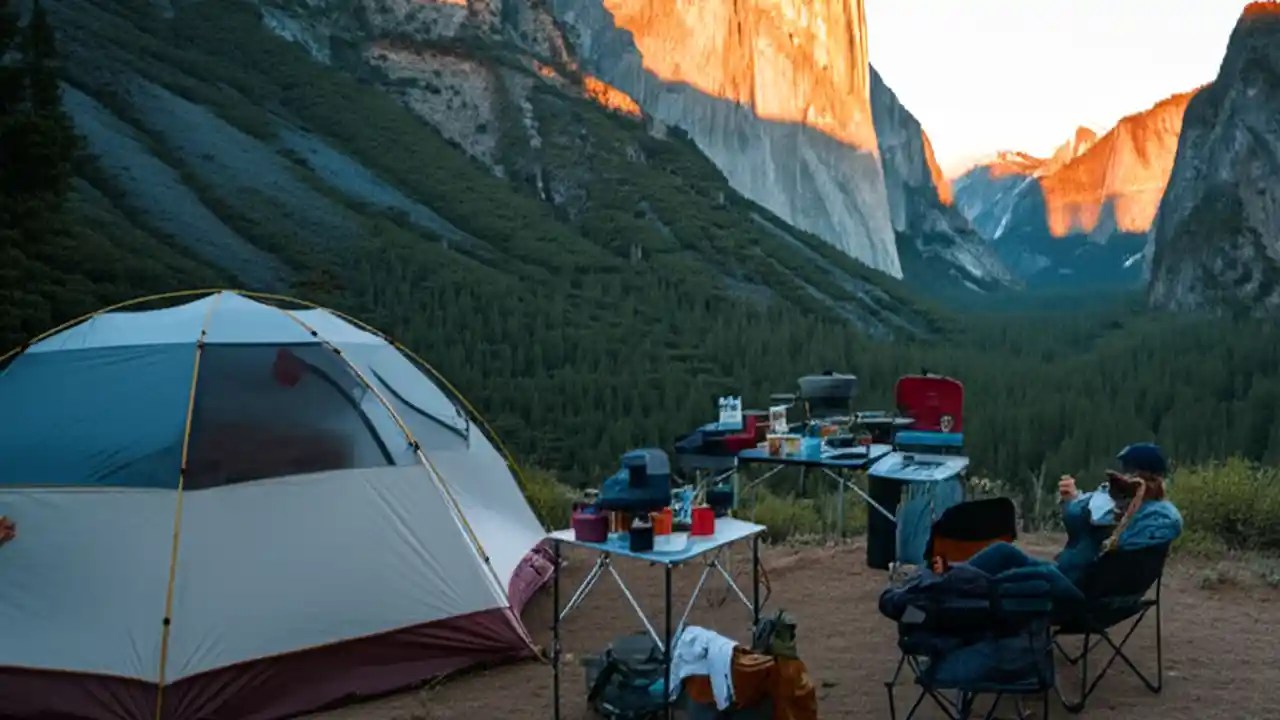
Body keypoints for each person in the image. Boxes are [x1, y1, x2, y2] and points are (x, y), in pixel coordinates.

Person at [958, 442, 1183, 588]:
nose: (1123, 476)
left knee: (1001, 582)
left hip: (1075, 588)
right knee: (1002, 552)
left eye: (1128, 470)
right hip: (1065, 573)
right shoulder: (1110, 499)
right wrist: (1075, 500)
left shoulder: (1160, 515)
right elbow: (1079, 518)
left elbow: (1125, 534)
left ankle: (945, 592)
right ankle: (943, 582)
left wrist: (1121, 511)